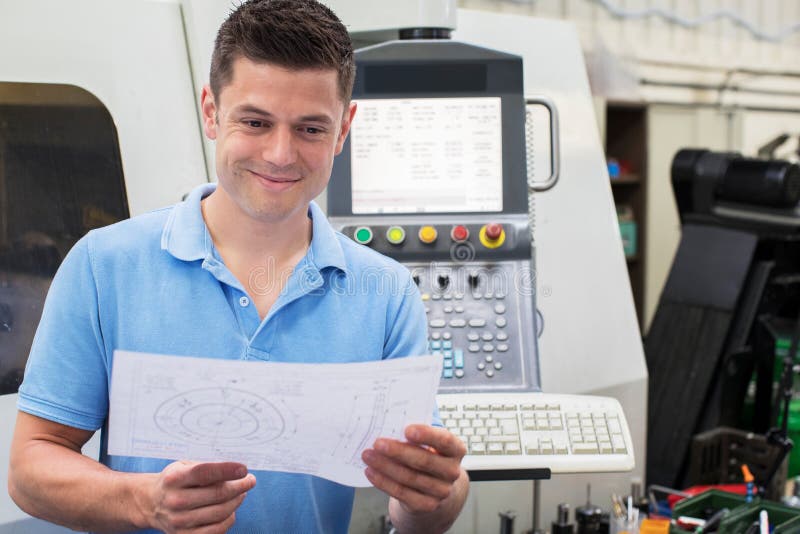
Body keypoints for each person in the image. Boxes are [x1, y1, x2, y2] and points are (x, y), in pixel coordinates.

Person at [7, 0, 469, 532]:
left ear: (344, 129)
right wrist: (143, 500)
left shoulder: (385, 295)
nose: (279, 154)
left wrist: (436, 493)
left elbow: (419, 513)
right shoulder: (102, 266)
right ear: (211, 111)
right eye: (255, 121)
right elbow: (30, 467)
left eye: (311, 129)